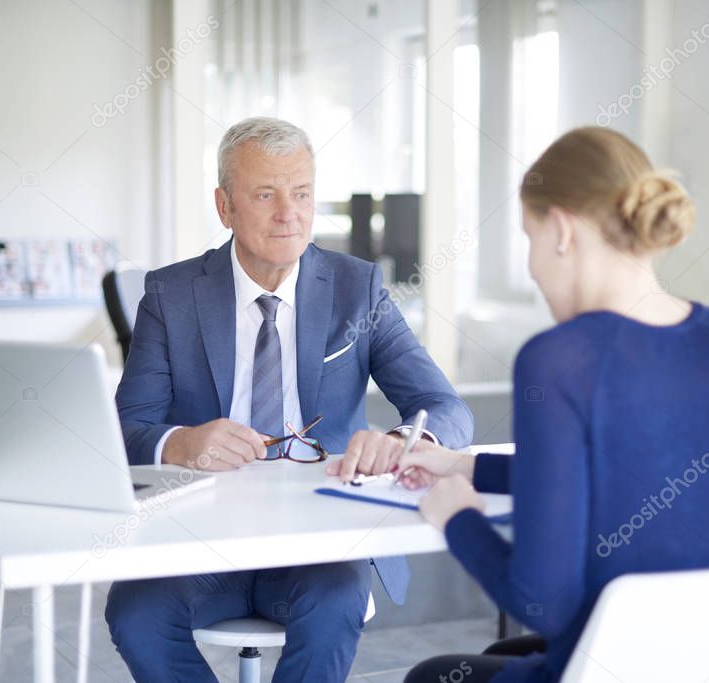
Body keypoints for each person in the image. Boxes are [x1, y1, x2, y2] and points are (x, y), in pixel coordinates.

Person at [105, 116, 474, 683]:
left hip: (319, 536)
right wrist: (181, 443)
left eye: (301, 193)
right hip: (204, 534)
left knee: (335, 602)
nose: (289, 213)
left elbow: (446, 407)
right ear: (225, 207)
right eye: (265, 195)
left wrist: (405, 441)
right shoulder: (170, 294)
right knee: (136, 614)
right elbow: (127, 427)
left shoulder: (357, 288)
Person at [399, 126, 709, 682]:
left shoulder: (561, 359)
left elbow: (542, 602)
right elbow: (621, 475)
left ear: (563, 229)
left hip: (612, 667)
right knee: (507, 655)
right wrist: (463, 467)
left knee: (432, 675)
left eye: (530, 237)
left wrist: (458, 517)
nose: (531, 268)